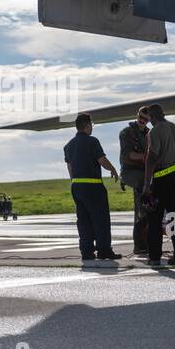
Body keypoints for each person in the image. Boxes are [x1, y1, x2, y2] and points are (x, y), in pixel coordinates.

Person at [63, 113, 122, 262]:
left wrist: (75, 183)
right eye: (91, 125)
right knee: (100, 219)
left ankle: (87, 252)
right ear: (87, 126)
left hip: (76, 186)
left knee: (83, 220)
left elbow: (70, 167)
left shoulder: (68, 145)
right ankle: (104, 251)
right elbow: (101, 159)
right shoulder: (92, 141)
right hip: (93, 186)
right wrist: (113, 169)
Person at [142, 103, 175, 265]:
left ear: (151, 117)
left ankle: (155, 257)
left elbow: (152, 158)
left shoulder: (155, 131)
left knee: (154, 218)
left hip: (161, 178)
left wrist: (146, 184)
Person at [118, 106, 151, 255]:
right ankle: (140, 244)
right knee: (142, 206)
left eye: (145, 119)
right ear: (137, 116)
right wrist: (146, 157)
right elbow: (128, 155)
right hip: (130, 172)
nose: (142, 121)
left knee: (150, 204)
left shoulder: (149, 133)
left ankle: (148, 240)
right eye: (140, 118)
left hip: (145, 172)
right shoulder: (126, 132)